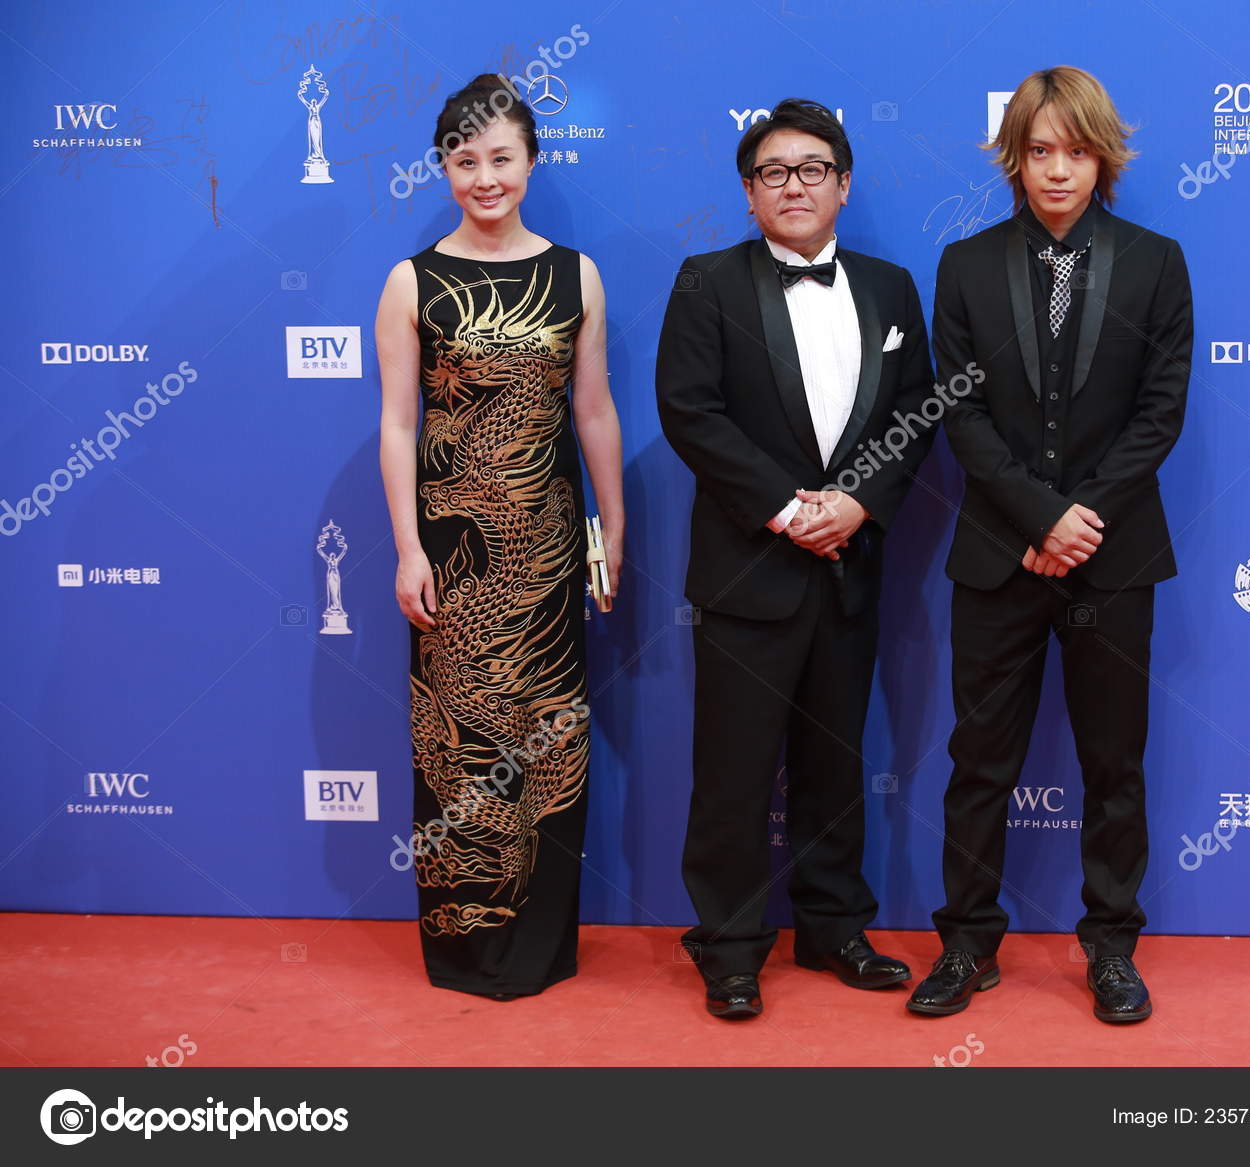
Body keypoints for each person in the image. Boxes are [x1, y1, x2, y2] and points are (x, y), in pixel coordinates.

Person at [909, 67, 1192, 1022]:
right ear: (1015, 159)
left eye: (1076, 151)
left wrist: (1081, 521)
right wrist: (1039, 517)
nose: (1058, 170)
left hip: (1115, 557)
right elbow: (964, 417)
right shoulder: (964, 267)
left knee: (1116, 761)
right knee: (979, 759)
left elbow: (1159, 416)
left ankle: (1112, 947)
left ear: (1102, 156)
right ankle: (967, 946)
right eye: (1040, 151)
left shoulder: (1158, 262)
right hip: (999, 554)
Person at [656, 98, 937, 1019]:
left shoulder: (894, 288)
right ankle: (731, 947)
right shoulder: (705, 281)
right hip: (747, 569)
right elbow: (690, 412)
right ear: (748, 192)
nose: (795, 185)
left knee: (835, 759)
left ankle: (834, 928)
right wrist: (786, 509)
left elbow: (916, 413)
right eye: (774, 171)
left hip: (850, 565)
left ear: (844, 185)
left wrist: (857, 505)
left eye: (813, 168)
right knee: (733, 771)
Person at [374, 74, 623, 999]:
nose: (485, 178)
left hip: (551, 541)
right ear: (444, 167)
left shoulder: (576, 273)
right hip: (450, 547)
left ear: (532, 162)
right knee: (459, 741)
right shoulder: (412, 281)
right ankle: (463, 942)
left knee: (552, 734)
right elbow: (397, 424)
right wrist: (408, 546)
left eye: (501, 159)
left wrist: (612, 524)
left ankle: (543, 942)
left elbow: (592, 411)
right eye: (465, 160)